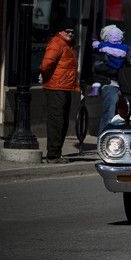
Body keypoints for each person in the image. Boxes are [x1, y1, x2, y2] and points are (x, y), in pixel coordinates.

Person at [40, 19, 78, 163]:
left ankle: (57, 153)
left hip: (65, 87)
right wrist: (50, 79)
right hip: (56, 88)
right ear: (60, 31)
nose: (70, 34)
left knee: (62, 122)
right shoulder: (57, 43)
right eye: (67, 31)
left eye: (72, 32)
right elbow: (45, 65)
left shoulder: (67, 44)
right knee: (57, 122)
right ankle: (53, 155)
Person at [91, 25, 127, 134]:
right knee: (109, 115)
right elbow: (98, 68)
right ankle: (104, 140)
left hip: (118, 85)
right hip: (109, 85)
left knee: (116, 115)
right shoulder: (101, 52)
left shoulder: (121, 49)